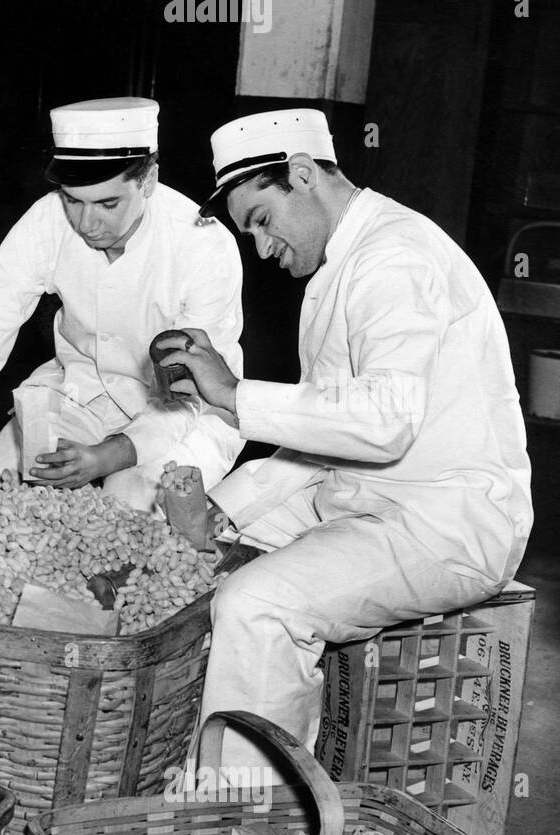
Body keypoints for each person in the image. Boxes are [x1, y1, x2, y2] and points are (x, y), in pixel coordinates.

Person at [158, 108, 532, 783]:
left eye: (263, 222)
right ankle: (187, 759)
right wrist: (225, 508)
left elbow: (384, 422)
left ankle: (243, 826)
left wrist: (234, 393)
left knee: (256, 602)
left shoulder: (395, 256)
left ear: (303, 174)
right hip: (366, 495)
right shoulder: (344, 260)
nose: (263, 249)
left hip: (444, 520)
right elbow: (326, 439)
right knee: (182, 556)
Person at [0, 97, 244, 511]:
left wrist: (105, 457)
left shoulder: (204, 244)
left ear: (148, 181)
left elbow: (191, 394)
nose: (85, 223)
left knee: (129, 505)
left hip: (186, 413)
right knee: (2, 494)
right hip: (81, 391)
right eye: (73, 200)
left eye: (107, 204)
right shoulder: (48, 218)